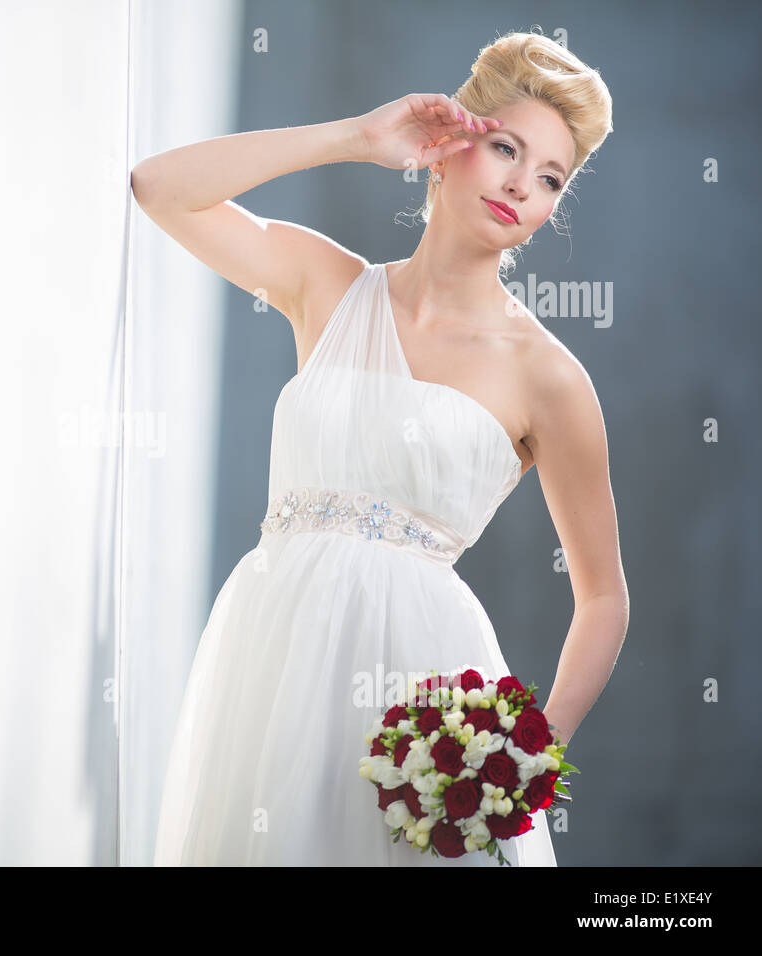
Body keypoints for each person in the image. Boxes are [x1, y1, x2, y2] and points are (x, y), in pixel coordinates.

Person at [133, 31, 628, 866]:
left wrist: (520, 754)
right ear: (445, 149)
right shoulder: (323, 284)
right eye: (506, 148)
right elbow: (160, 188)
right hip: (272, 656)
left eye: (550, 178)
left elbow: (605, 599)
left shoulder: (550, 377)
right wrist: (356, 139)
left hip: (424, 700)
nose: (521, 185)